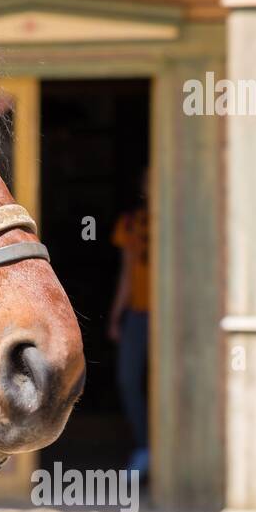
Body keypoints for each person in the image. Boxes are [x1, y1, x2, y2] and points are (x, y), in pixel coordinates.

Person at [108, 168, 150, 479]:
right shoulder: (131, 223)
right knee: (128, 379)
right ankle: (145, 446)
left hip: (170, 318)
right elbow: (126, 274)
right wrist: (116, 315)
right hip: (137, 314)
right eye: (148, 179)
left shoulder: (177, 220)